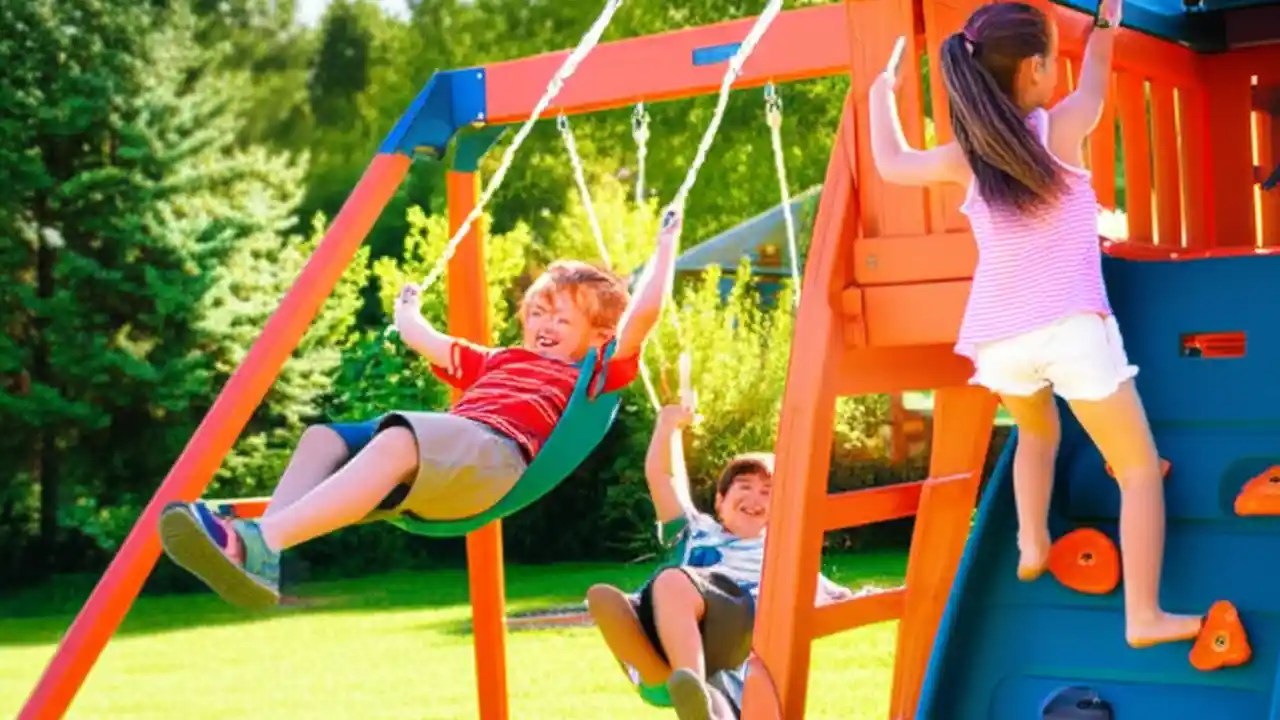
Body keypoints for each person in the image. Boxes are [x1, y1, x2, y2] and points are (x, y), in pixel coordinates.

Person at [867, 0, 1204, 648]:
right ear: (1036, 69)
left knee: (1036, 434)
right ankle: (1144, 616)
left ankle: (1030, 540)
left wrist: (883, 92)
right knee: (1136, 470)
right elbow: (1099, 69)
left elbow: (893, 162)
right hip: (1072, 326)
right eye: (1054, 60)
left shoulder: (964, 157)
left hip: (998, 338)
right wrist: (1106, 20)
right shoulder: (1062, 127)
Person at [158, 210, 685, 610]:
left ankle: (262, 540)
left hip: (496, 459)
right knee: (323, 438)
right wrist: (408, 312)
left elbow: (644, 316)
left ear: (596, 336)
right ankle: (258, 555)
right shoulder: (499, 360)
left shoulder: (590, 375)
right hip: (451, 449)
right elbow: (428, 341)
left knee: (399, 437)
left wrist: (665, 250)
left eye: (563, 321)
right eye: (538, 311)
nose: (545, 326)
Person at [586, 402, 855, 719]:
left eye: (767, 492)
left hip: (740, 635)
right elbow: (661, 477)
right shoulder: (696, 530)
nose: (754, 499)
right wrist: (667, 426)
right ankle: (676, 680)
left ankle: (670, 674)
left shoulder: (783, 554)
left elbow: (840, 598)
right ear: (720, 501)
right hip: (693, 639)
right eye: (744, 487)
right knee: (709, 692)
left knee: (673, 583)